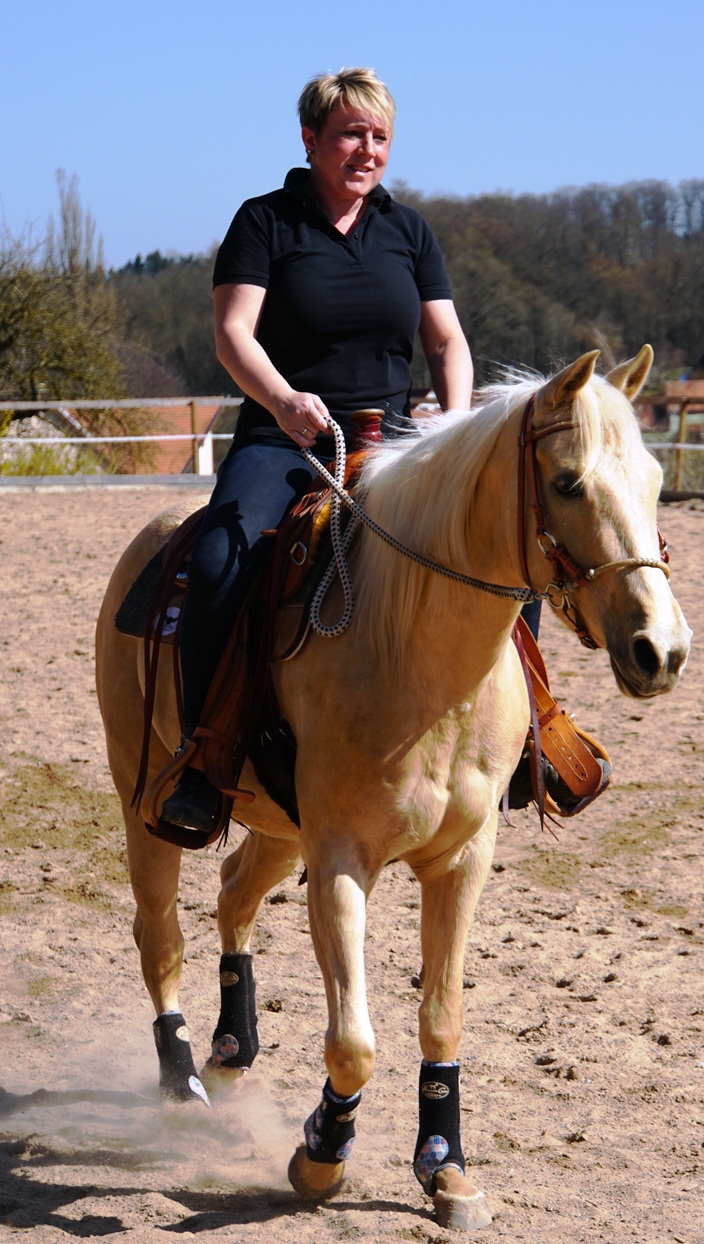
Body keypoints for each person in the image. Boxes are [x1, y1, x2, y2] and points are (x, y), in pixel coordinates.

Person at [161, 68, 473, 832]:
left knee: (503, 543)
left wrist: (456, 421)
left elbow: (446, 340)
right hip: (285, 440)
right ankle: (207, 758)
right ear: (311, 139)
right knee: (217, 561)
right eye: (350, 134)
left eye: (379, 138)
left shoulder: (409, 231)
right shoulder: (264, 222)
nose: (366, 150)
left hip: (391, 443)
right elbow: (234, 333)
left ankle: (530, 735)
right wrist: (282, 400)